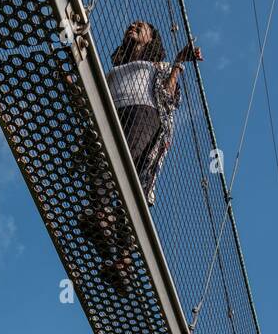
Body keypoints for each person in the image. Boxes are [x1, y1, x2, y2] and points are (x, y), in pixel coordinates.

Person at [81, 21, 202, 287]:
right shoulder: (114, 70)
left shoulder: (157, 67)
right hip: (112, 114)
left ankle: (120, 249)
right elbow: (96, 97)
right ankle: (109, 228)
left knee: (128, 173)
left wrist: (179, 63)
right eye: (132, 24)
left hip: (143, 114)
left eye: (142, 26)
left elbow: (170, 97)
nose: (133, 26)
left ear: (152, 39)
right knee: (101, 157)